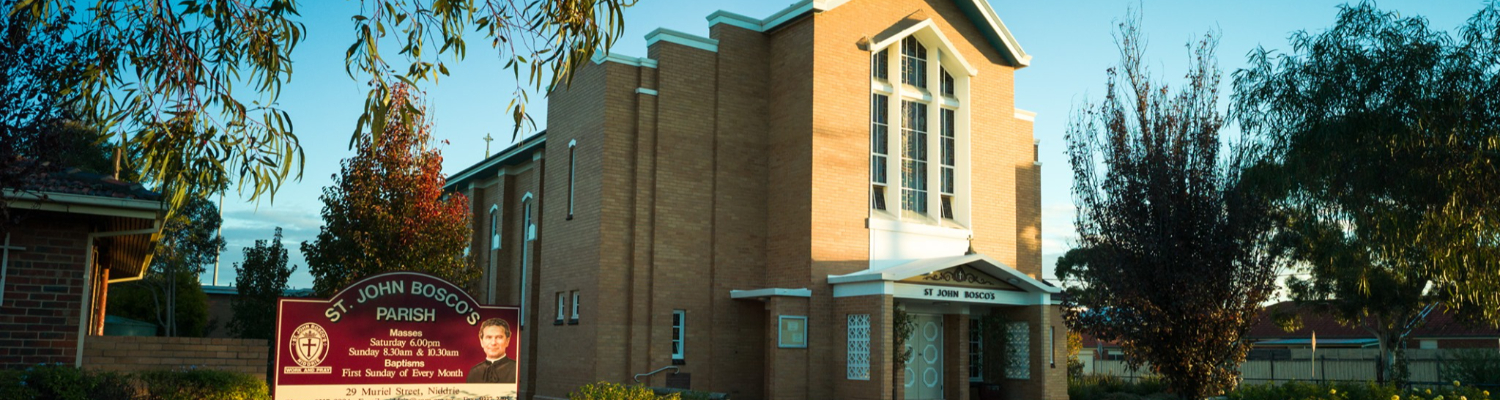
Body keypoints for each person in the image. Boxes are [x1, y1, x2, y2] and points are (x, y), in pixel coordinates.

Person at [466, 318, 516, 384]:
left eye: (499, 337)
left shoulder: (516, 369)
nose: (493, 343)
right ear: (481, 341)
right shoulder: (474, 372)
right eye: (489, 337)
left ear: (507, 341)